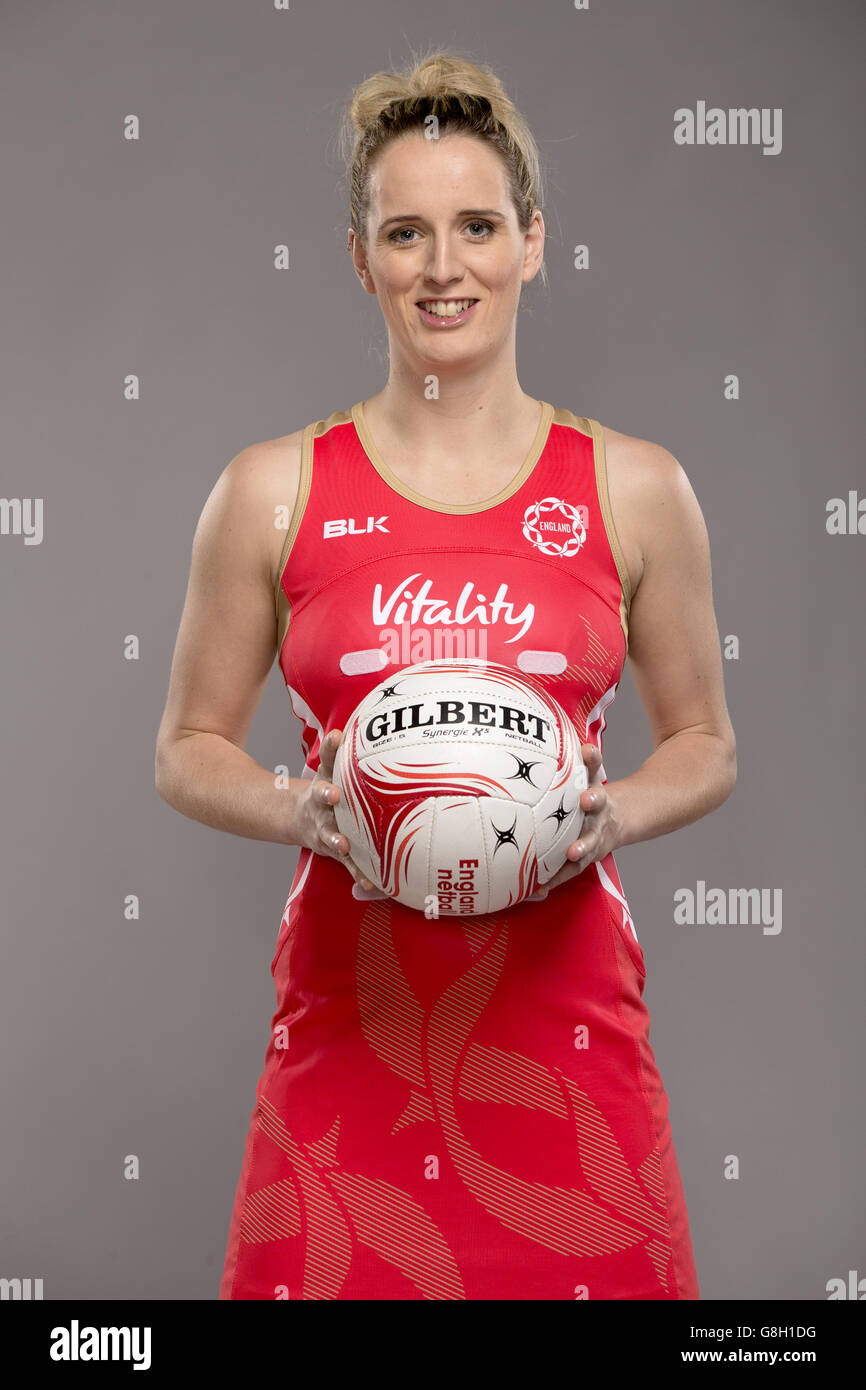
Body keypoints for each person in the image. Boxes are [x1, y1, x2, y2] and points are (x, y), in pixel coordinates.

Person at [155, 49, 736, 1300]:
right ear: (359, 258)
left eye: (476, 225)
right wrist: (296, 807)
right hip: (348, 1015)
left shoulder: (633, 485)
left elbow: (704, 740)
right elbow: (187, 744)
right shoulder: (272, 489)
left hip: (564, 1029)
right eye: (403, 232)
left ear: (532, 243)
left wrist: (610, 812)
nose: (441, 265)